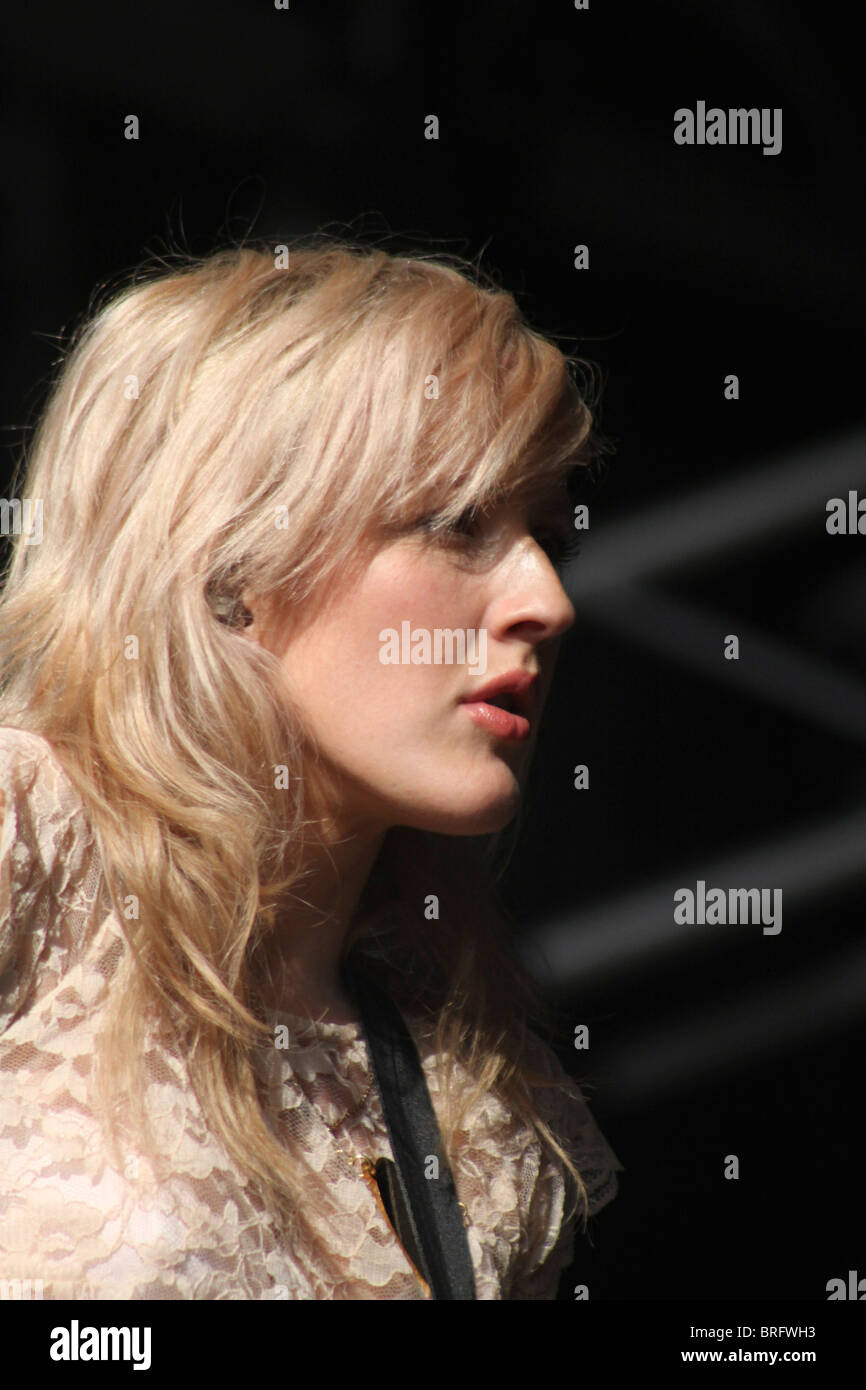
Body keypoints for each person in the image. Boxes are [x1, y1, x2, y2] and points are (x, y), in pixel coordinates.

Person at [0, 237, 622, 1299]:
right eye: (459, 523)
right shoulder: (29, 831)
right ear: (235, 558)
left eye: (548, 533)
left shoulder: (483, 1112)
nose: (547, 600)